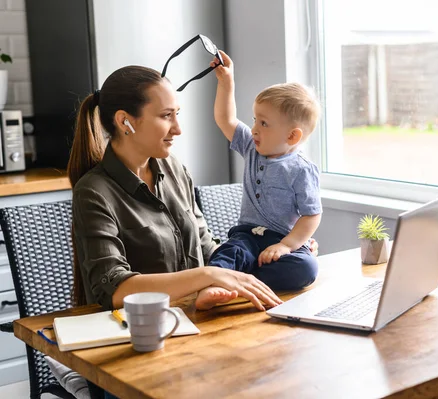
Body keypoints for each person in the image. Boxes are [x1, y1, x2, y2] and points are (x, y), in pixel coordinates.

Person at [68, 64, 285, 312]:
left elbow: (206, 248)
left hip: (192, 320)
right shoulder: (94, 192)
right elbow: (113, 288)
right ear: (124, 121)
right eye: (165, 115)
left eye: (177, 114)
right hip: (137, 332)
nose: (178, 129)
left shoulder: (174, 169)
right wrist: (205, 276)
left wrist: (282, 246)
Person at [205, 50, 322, 298]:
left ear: (292, 136)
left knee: (306, 267)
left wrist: (287, 245)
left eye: (264, 123)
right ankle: (216, 284)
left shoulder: (301, 169)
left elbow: (311, 215)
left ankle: (240, 280)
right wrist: (227, 82)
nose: (254, 129)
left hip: (281, 240)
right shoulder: (251, 146)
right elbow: (225, 119)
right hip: (246, 237)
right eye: (255, 120)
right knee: (228, 253)